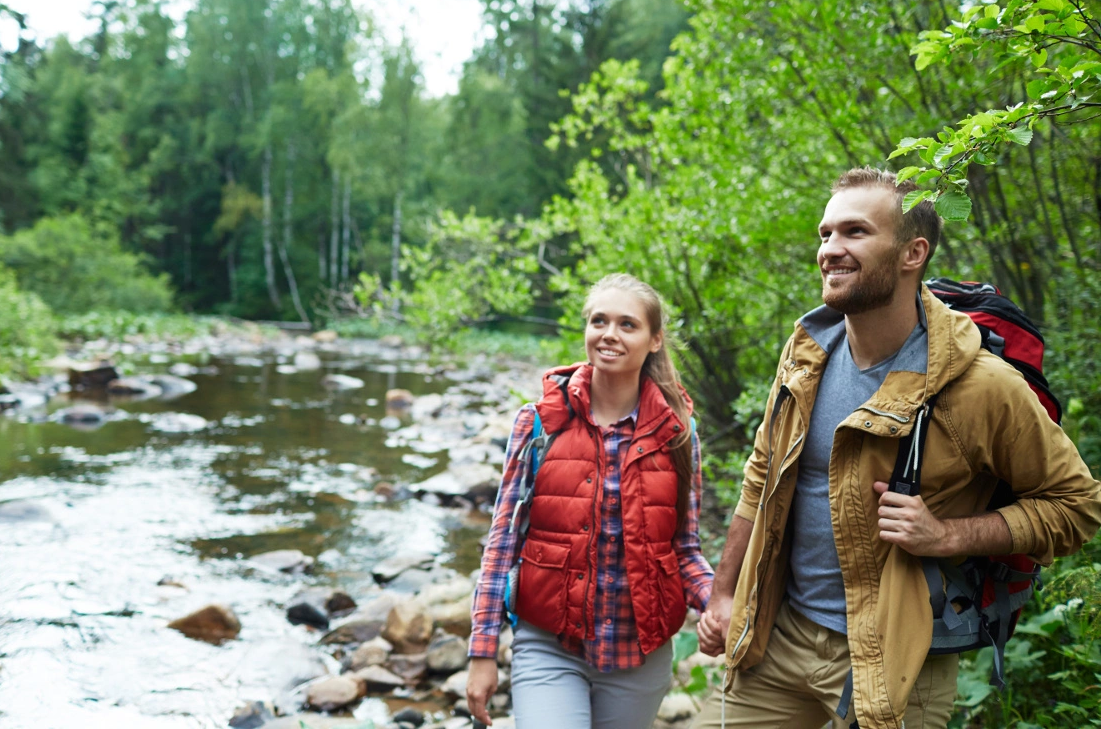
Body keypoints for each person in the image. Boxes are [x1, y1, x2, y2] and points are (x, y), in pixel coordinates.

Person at [692, 168, 1101, 729]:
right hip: (779, 642)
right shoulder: (808, 349)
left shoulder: (979, 385)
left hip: (895, 665)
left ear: (913, 252)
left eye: (854, 232)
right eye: (825, 234)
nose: (830, 250)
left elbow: (1076, 504)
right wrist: (722, 595)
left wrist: (948, 535)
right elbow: (764, 474)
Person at [466, 273, 715, 729]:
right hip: (550, 643)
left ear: (655, 339)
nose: (609, 334)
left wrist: (716, 604)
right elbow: (502, 544)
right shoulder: (540, 423)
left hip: (640, 652)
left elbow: (685, 549)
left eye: (627, 324)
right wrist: (482, 651)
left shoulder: (680, 431)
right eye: (599, 320)